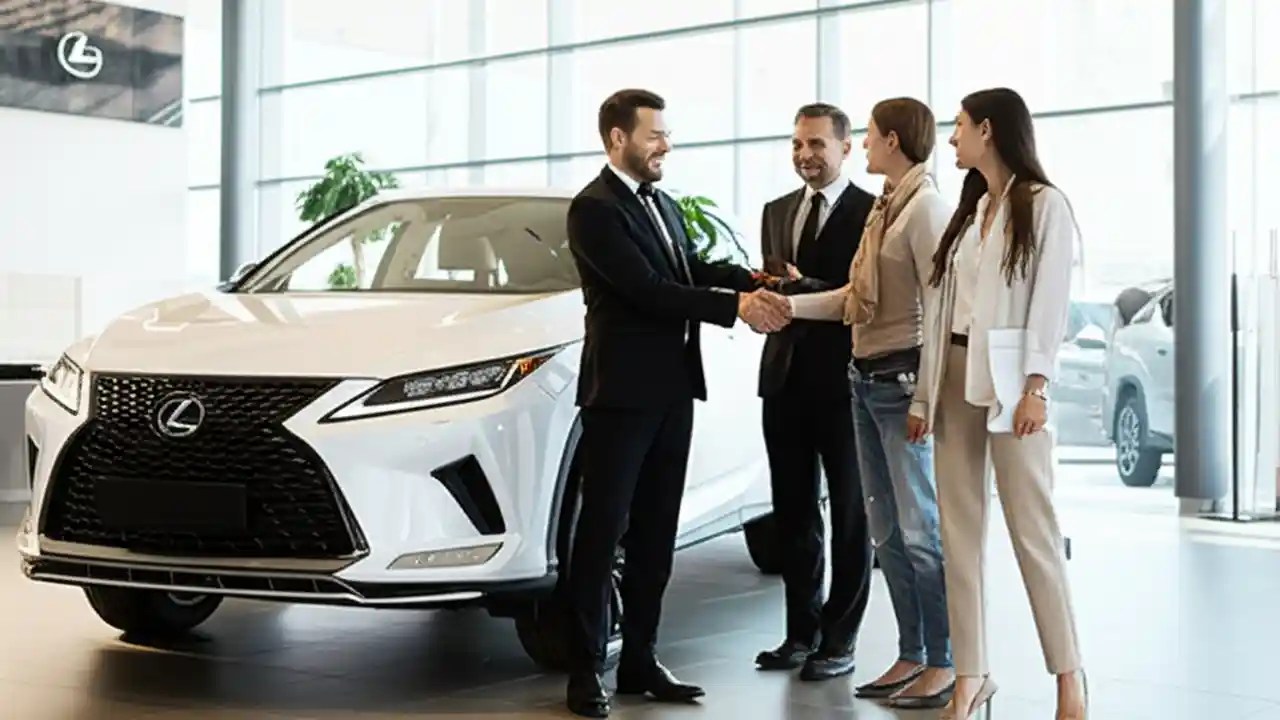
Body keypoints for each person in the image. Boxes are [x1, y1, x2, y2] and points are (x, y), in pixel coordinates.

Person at [561, 87, 792, 719]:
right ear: (618, 139)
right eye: (655, 134)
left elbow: (686, 266)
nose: (666, 145)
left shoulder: (659, 202)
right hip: (620, 397)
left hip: (671, 392)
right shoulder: (594, 210)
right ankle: (585, 671)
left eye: (666, 134)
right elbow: (647, 291)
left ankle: (639, 658)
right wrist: (734, 309)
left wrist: (753, 280)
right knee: (601, 534)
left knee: (657, 532)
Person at [917, 87, 1088, 720]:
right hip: (955, 377)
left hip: (1014, 382)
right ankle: (971, 676)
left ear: (988, 130)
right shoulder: (972, 211)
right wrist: (924, 395)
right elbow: (941, 313)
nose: (952, 136)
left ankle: (1069, 678)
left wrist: (1037, 387)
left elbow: (1051, 302)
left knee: (1032, 535)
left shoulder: (1045, 206)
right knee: (958, 538)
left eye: (959, 126)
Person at [785, 97, 955, 708]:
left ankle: (946, 660)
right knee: (887, 533)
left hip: (904, 387)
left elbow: (940, 313)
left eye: (873, 134)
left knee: (921, 533)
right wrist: (788, 307)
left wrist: (928, 402)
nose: (866, 142)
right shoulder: (889, 208)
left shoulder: (927, 211)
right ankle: (913, 653)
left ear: (892, 140)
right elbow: (853, 297)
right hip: (865, 381)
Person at [750, 102, 877, 682]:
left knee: (851, 513)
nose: (805, 155)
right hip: (784, 380)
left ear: (845, 148)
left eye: (817, 145)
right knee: (794, 513)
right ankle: (799, 634)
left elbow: (866, 296)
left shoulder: (872, 213)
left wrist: (803, 288)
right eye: (798, 144)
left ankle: (840, 638)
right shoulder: (775, 211)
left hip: (845, 382)